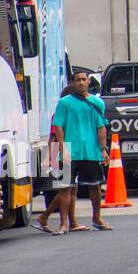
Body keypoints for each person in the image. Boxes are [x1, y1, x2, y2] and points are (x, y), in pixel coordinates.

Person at [41, 70, 112, 234]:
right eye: (77, 80)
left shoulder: (97, 102)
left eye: (84, 79)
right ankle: (64, 224)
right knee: (65, 188)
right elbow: (58, 127)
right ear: (73, 83)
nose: (81, 82)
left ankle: (97, 218)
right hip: (69, 152)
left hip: (90, 151)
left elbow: (101, 127)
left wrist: (103, 149)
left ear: (88, 82)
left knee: (95, 186)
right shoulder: (64, 103)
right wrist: (62, 148)